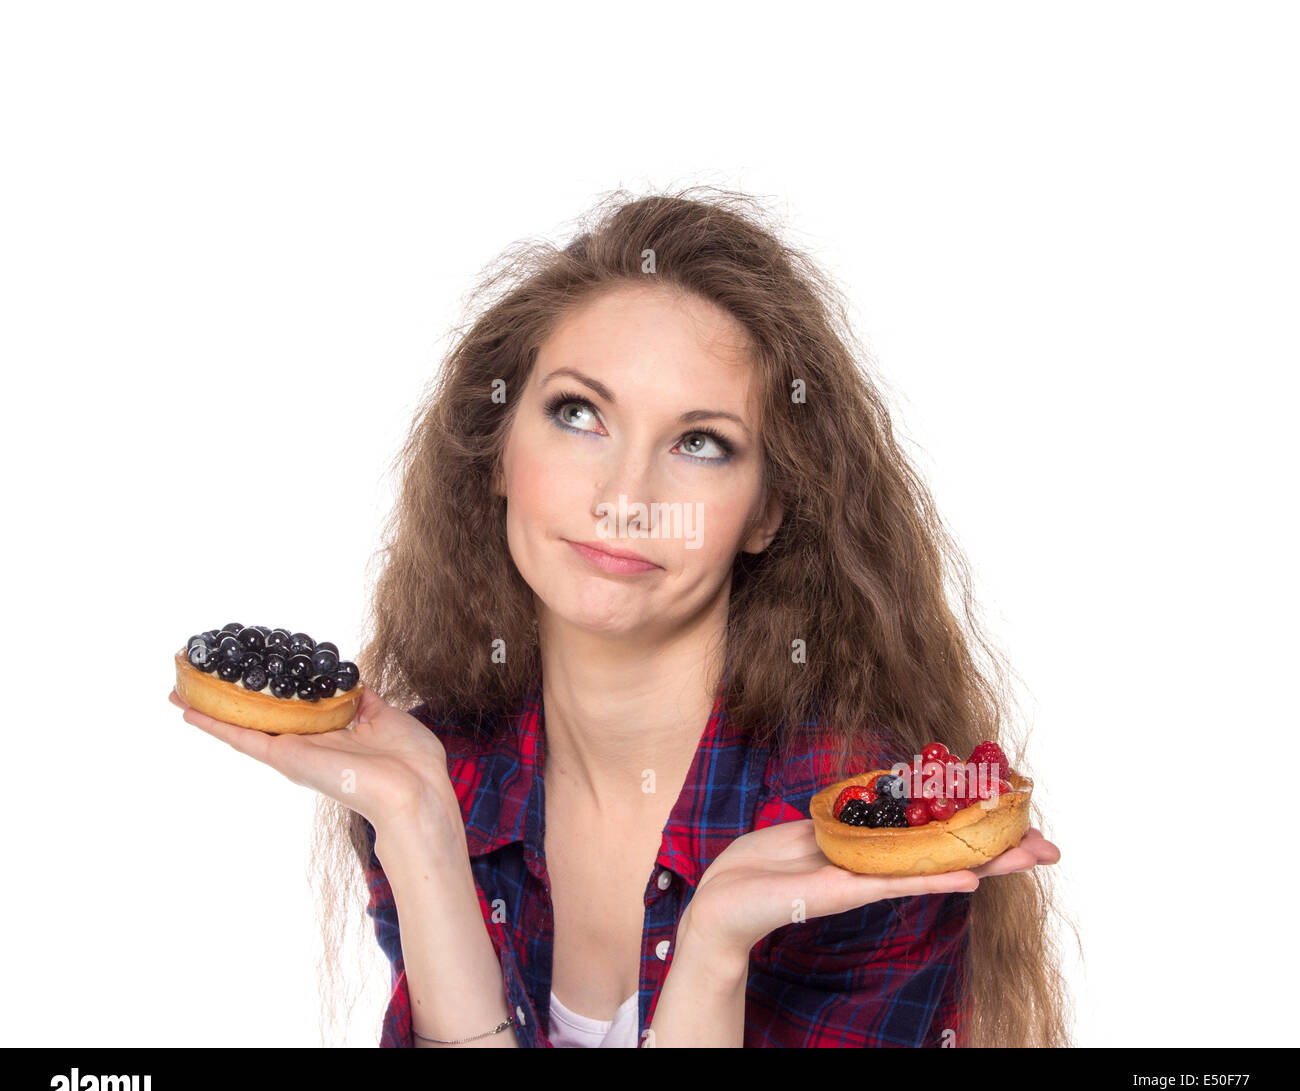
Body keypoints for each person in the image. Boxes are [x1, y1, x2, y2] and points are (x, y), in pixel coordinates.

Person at [171, 187, 1069, 1047]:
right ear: (494, 449)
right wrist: (420, 831)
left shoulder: (864, 843)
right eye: (578, 414)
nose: (625, 498)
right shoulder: (450, 775)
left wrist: (713, 953)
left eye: (700, 443)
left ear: (766, 512)